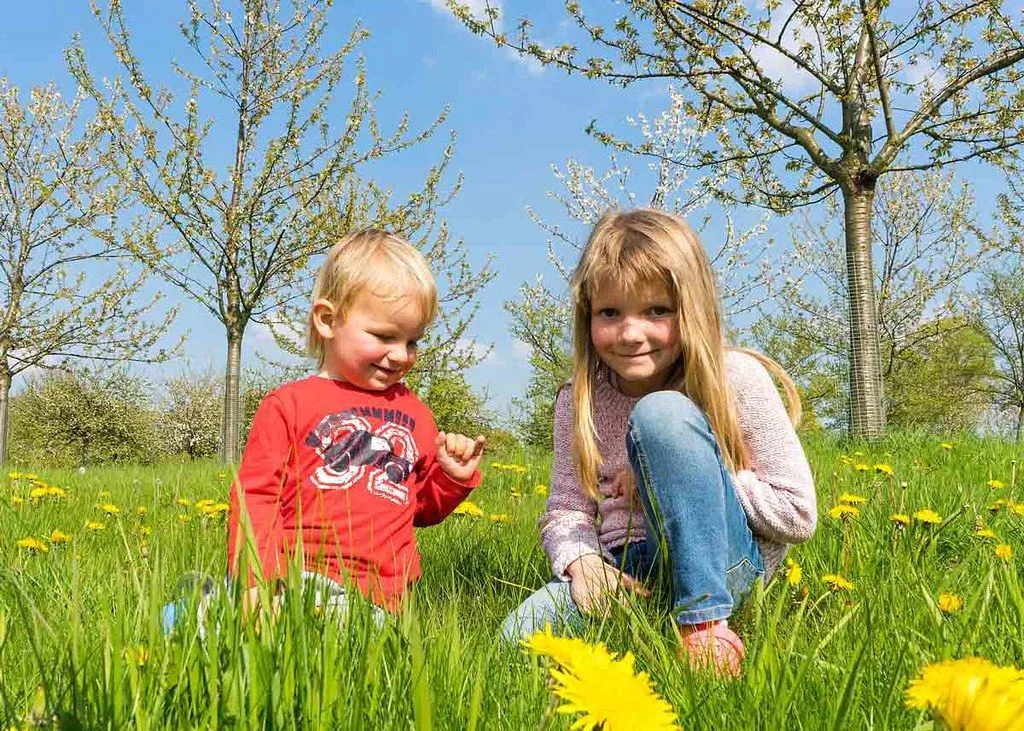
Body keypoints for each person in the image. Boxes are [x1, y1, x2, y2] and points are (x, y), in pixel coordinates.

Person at [501, 209, 816, 677]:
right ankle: (651, 616)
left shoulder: (737, 380)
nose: (631, 334)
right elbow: (566, 509)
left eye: (657, 311)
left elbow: (798, 514)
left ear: (692, 310)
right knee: (518, 639)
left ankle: (705, 624)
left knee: (662, 415)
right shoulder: (577, 399)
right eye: (610, 312)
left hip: (725, 564)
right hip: (627, 568)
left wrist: (689, 469)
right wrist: (583, 562)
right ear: (587, 314)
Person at [216, 229, 485, 624]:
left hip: (378, 600)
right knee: (218, 622)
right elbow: (256, 497)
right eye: (384, 336)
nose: (401, 355)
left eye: (412, 341)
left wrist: (451, 477)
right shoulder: (288, 406)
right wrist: (258, 581)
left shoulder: (415, 415)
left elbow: (420, 507)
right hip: (292, 579)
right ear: (327, 320)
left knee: (345, 643)